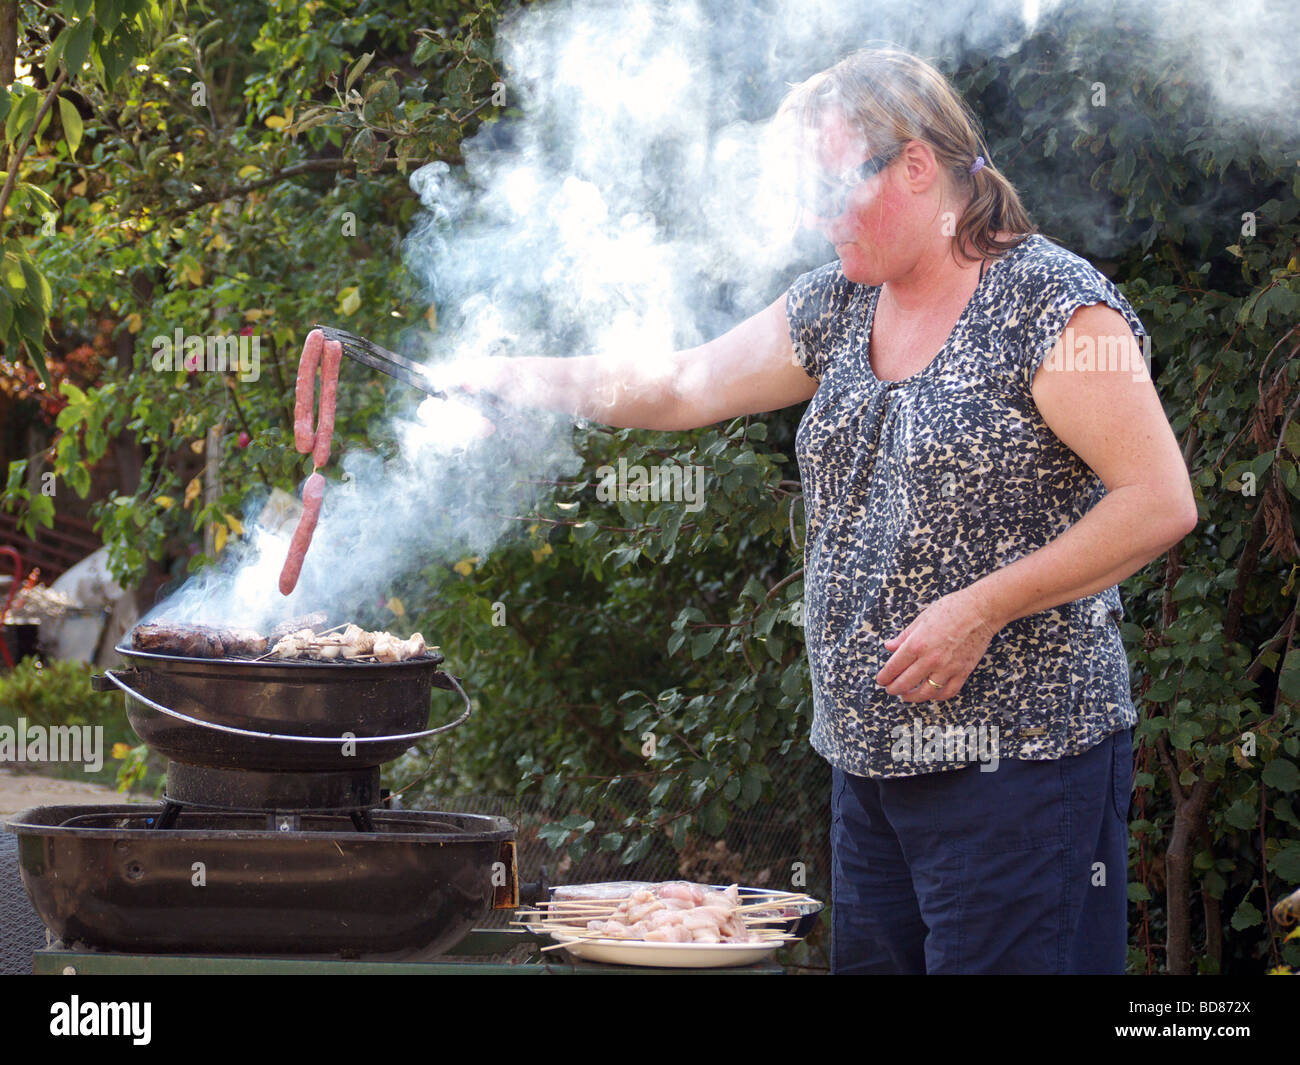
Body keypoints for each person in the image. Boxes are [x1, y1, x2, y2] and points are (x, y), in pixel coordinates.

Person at [427, 47, 1197, 973]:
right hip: (868, 771)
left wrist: (982, 606)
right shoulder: (838, 304)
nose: (811, 215)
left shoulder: (1050, 306)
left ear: (917, 165)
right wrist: (504, 377)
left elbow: (1159, 501)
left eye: (830, 184)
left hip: (1021, 771)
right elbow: (677, 385)